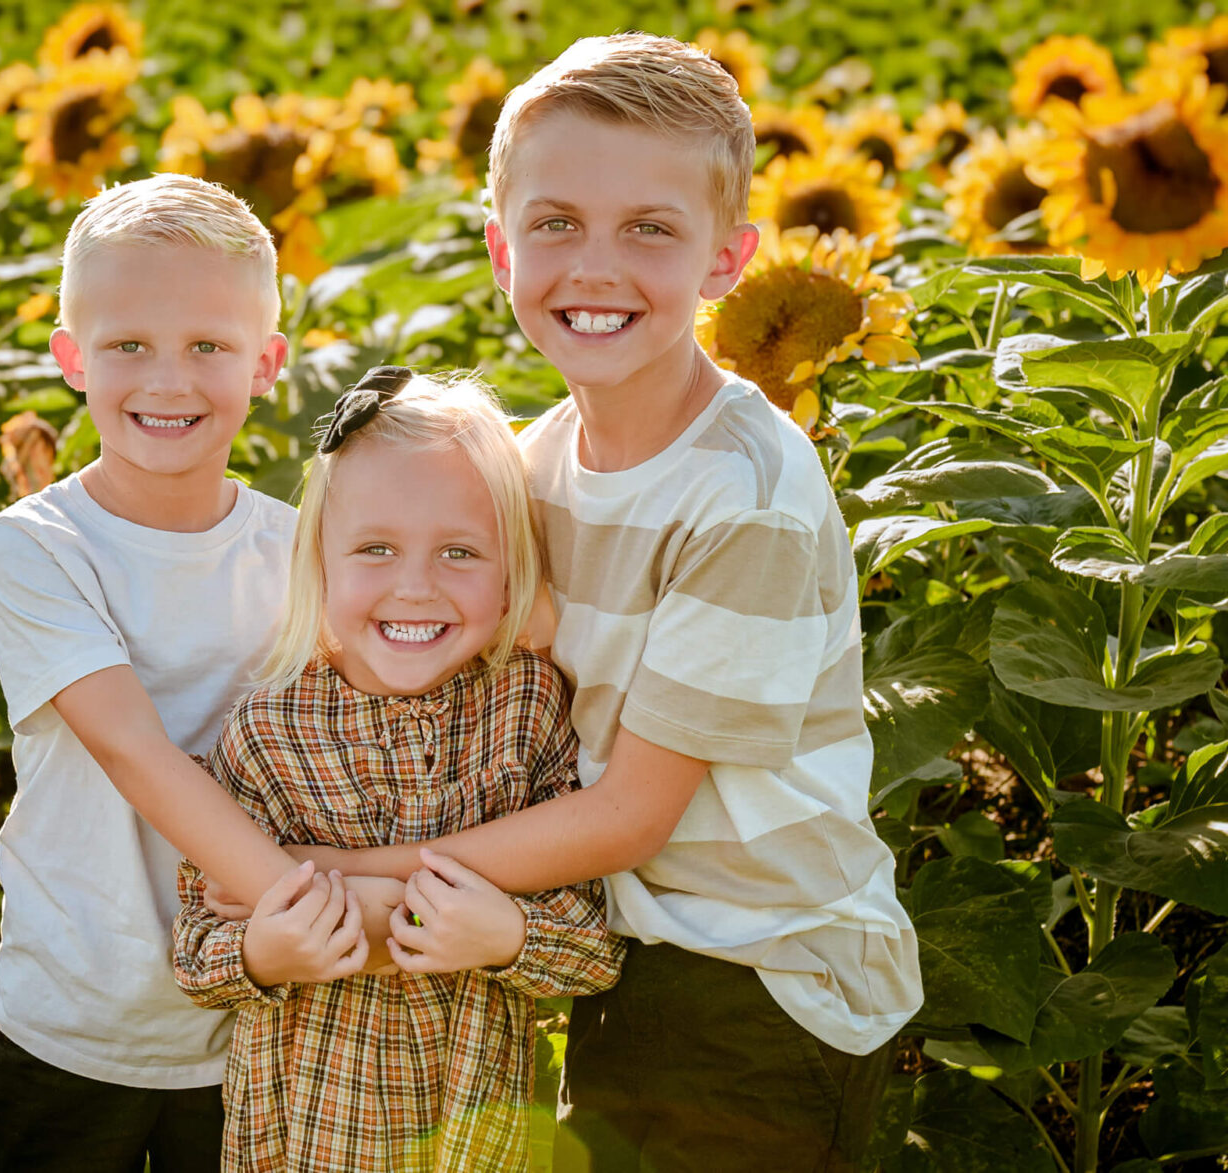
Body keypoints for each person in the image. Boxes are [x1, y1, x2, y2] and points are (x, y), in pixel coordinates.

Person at [299, 34, 924, 1172]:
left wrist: (358, 872)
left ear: (726, 262)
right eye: (555, 225)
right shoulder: (533, 466)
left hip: (760, 974)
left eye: (649, 229)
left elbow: (634, 813)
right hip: (619, 942)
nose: (594, 267)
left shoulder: (745, 496)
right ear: (500, 251)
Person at [0, 173, 372, 1173]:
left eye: (208, 346)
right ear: (71, 358)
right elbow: (134, 751)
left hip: (253, 1022)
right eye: (127, 346)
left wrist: (285, 943)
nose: (167, 380)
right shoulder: (39, 545)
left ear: (267, 363)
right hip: (81, 1010)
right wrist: (305, 913)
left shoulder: (301, 550)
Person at [172, 367, 625, 1173]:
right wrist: (266, 953)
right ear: (319, 560)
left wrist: (508, 935)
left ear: (513, 567)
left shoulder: (528, 710)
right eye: (375, 549)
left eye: (459, 551)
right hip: (303, 1140)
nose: (415, 586)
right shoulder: (271, 730)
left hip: (477, 1143)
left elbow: (598, 943)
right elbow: (198, 941)